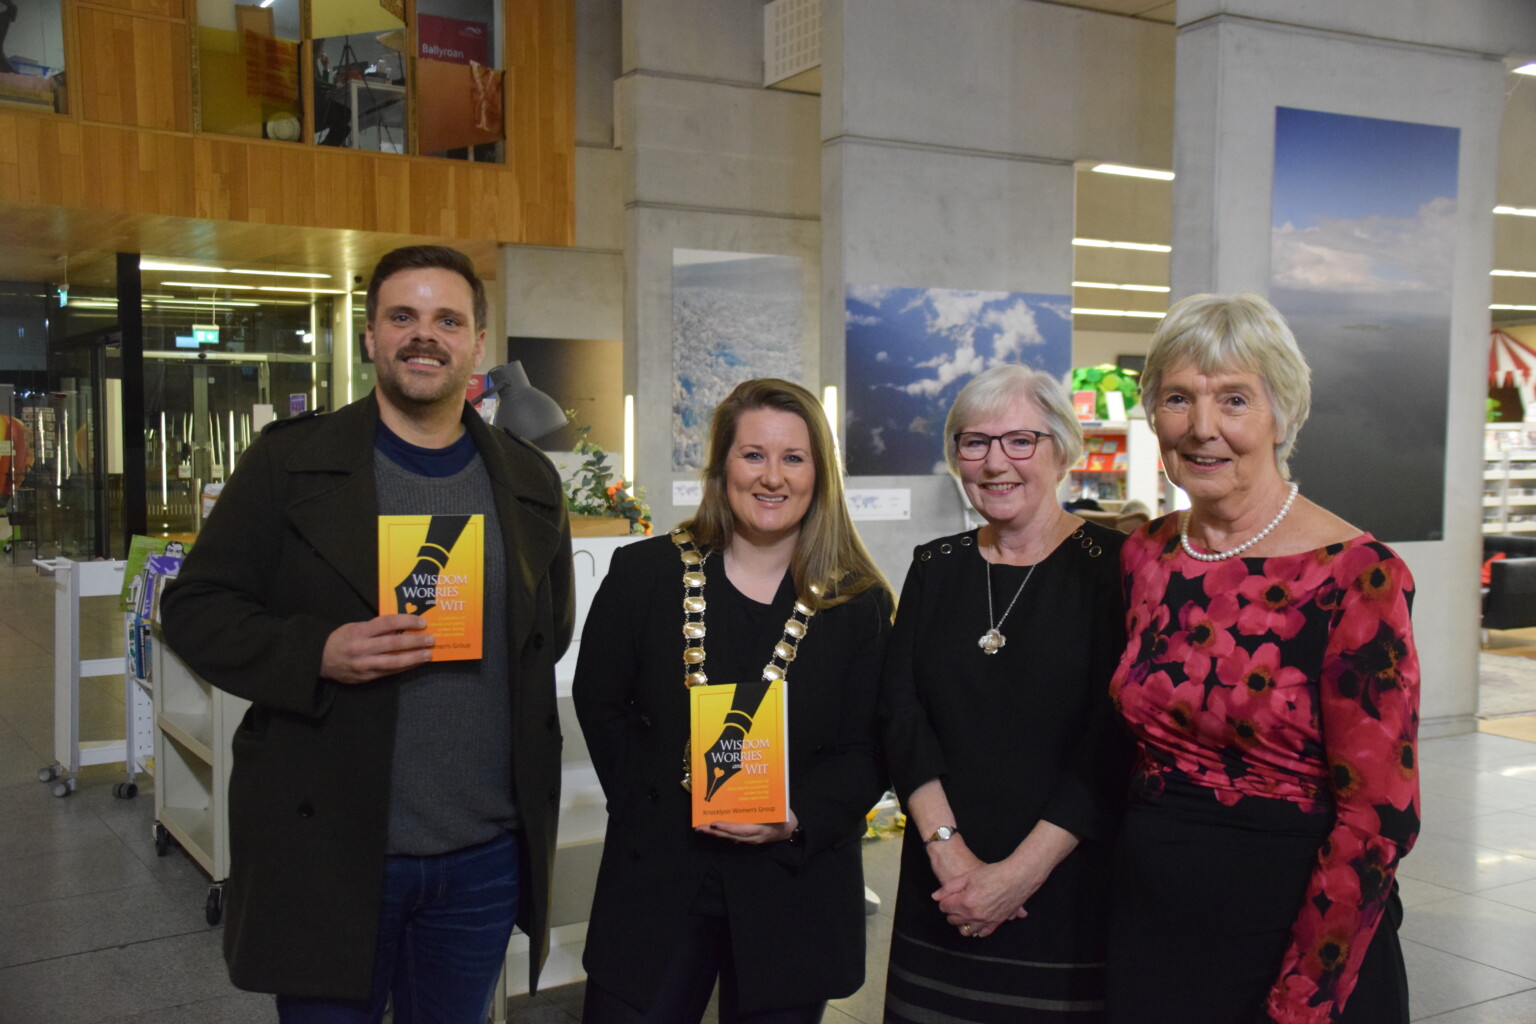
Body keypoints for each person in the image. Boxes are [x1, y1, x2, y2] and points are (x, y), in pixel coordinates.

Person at [160, 245, 574, 1023]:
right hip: (332, 849)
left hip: (482, 857)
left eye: (448, 319)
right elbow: (196, 607)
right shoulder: (290, 463)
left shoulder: (528, 481)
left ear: (478, 344)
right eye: (403, 317)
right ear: (370, 337)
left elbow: (546, 631)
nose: (426, 336)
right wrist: (316, 652)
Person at [1105, 292, 1419, 1024]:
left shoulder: (1356, 575)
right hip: (1154, 933)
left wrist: (1302, 1001)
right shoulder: (1147, 554)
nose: (1202, 427)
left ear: (1283, 414)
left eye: (1234, 399)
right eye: (1178, 398)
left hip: (1295, 937)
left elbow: (1380, 817)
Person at [574, 378, 893, 1024]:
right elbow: (600, 703)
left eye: (793, 458)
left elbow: (868, 750)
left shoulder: (857, 604)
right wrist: (662, 799)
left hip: (791, 890)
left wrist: (795, 818)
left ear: (819, 472)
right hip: (660, 882)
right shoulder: (644, 576)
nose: (771, 477)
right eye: (753, 455)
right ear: (721, 467)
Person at [880, 363, 1130, 1023]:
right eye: (974, 442)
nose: (996, 462)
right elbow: (900, 715)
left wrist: (1019, 873)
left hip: (1064, 881)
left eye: (1021, 441)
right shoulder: (935, 567)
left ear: (1063, 450)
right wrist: (946, 850)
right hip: (943, 886)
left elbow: (1113, 740)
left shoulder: (1119, 570)